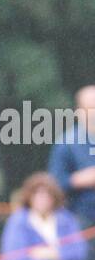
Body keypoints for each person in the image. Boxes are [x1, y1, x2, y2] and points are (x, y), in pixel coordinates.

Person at [48, 85, 95, 230]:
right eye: (89, 108)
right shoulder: (66, 143)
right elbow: (53, 185)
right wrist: (79, 179)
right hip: (81, 220)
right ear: (78, 111)